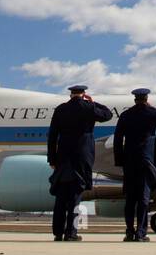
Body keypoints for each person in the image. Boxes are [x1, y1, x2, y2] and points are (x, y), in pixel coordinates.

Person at [47, 84, 113, 241]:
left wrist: (52, 158)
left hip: (63, 158)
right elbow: (107, 115)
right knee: (75, 198)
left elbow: (52, 136)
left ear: (71, 94)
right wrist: (92, 102)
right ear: (83, 94)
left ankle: (58, 232)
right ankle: (71, 233)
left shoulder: (60, 109)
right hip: (81, 158)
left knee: (61, 198)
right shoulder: (89, 107)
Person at [112, 87, 156, 242]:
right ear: (146, 98)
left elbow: (117, 139)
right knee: (144, 197)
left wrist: (119, 160)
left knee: (130, 199)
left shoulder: (125, 115)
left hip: (129, 161)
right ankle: (141, 233)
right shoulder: (152, 113)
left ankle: (129, 232)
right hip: (146, 160)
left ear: (135, 99)